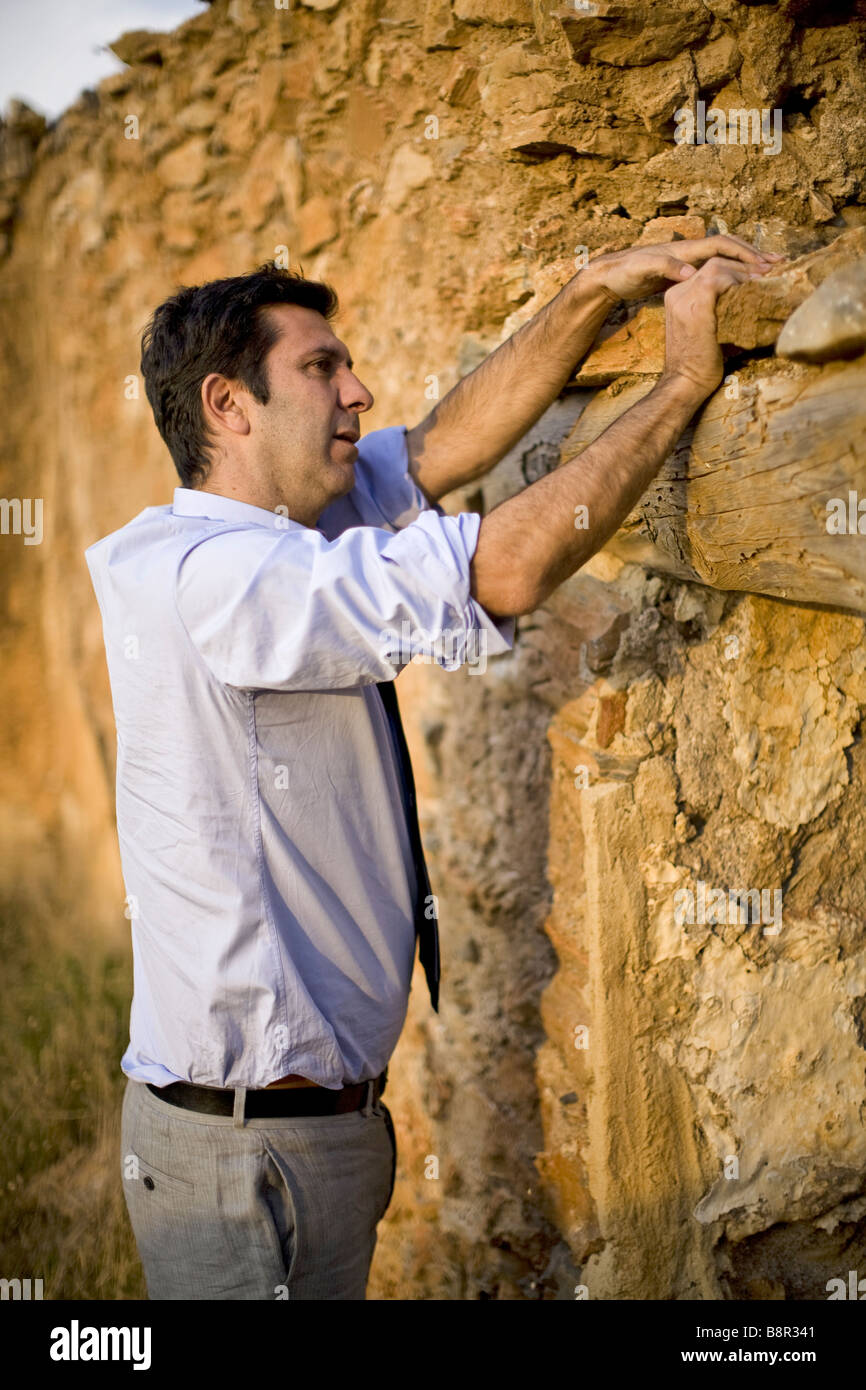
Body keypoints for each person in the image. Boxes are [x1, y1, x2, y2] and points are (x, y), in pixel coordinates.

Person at [84, 235, 780, 1300]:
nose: (356, 390)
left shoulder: (257, 534)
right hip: (246, 1160)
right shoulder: (229, 582)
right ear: (228, 406)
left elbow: (432, 452)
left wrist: (588, 290)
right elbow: (501, 566)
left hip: (289, 1137)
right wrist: (685, 380)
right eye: (320, 369)